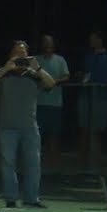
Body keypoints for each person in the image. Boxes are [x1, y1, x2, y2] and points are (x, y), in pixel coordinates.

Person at [0, 41, 55, 208]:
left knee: (33, 163)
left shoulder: (33, 74)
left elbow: (51, 83)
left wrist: (37, 68)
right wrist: (6, 68)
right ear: (11, 55)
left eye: (23, 53)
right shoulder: (4, 73)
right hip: (7, 126)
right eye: (16, 53)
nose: (20, 56)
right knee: (8, 163)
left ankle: (32, 199)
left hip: (29, 126)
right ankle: (11, 198)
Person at [77, 30, 107, 172]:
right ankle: (82, 162)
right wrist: (81, 77)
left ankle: (95, 162)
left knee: (97, 130)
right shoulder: (87, 55)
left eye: (93, 38)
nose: (91, 41)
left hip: (102, 97)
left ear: (100, 39)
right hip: (86, 96)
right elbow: (82, 72)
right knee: (84, 129)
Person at [35, 34, 71, 165]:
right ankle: (36, 160)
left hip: (55, 103)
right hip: (39, 103)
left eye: (49, 43)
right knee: (37, 134)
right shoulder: (36, 59)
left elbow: (67, 76)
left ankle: (53, 161)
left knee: (54, 134)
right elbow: (31, 75)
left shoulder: (60, 60)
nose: (48, 45)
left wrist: (53, 82)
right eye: (45, 43)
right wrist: (40, 83)